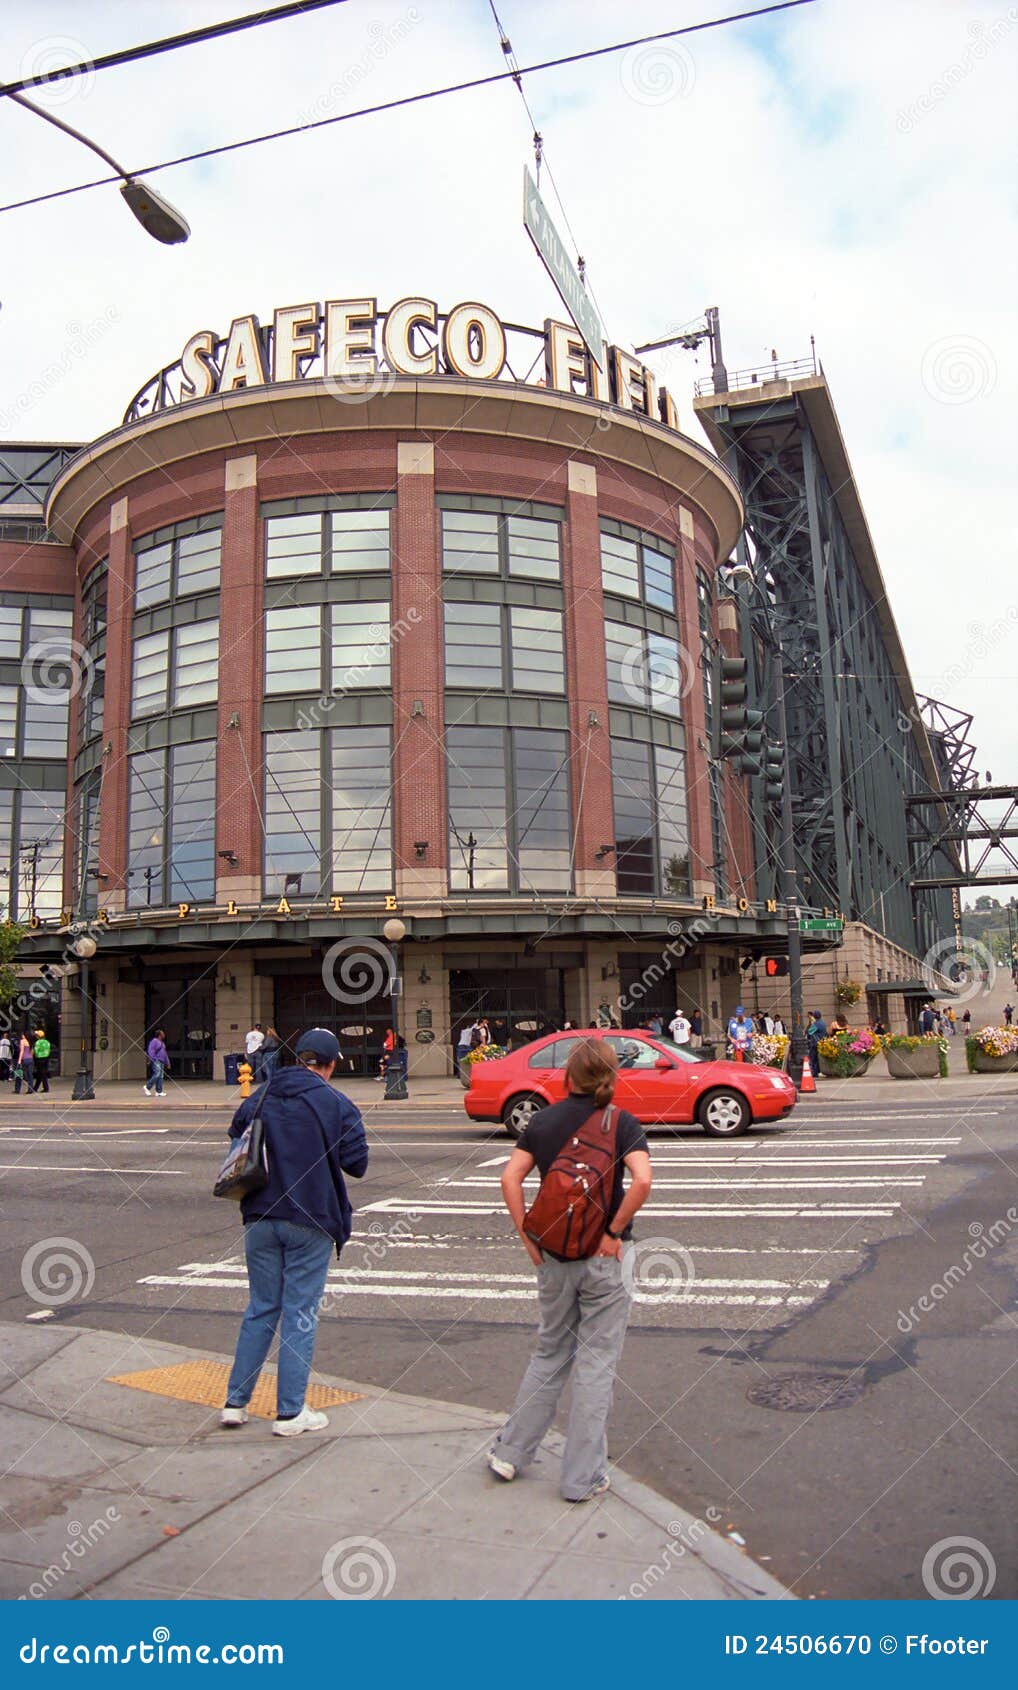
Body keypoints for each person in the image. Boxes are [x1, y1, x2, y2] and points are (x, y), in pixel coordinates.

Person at [489, 1038, 652, 1501]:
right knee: (595, 1366)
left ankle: (510, 1454)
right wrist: (614, 1233)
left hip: (554, 1256)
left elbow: (509, 1178)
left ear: (568, 1077)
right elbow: (642, 1180)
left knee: (549, 1353)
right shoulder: (621, 1123)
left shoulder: (542, 1120)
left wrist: (528, 1237)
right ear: (610, 1077)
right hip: (606, 1260)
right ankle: (582, 1478)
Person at [221, 1027, 369, 1437]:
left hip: (260, 1216)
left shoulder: (260, 1095)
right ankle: (289, 1412)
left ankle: (235, 1403)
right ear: (331, 1064)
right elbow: (357, 1164)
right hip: (310, 1219)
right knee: (300, 1312)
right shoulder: (335, 1103)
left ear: (298, 1057)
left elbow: (235, 1144)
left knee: (261, 1308)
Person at [144, 1028, 170, 1097]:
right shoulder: (154, 1041)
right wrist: (152, 1059)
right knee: (157, 1074)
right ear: (159, 1035)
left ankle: (159, 1091)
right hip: (156, 1060)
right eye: (162, 1033)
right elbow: (150, 1051)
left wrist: (167, 1062)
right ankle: (147, 1087)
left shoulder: (162, 1043)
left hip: (161, 1061)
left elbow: (165, 1054)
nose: (164, 1034)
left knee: (161, 1076)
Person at [805, 1009, 827, 1078]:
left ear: (814, 1016)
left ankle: (815, 1072)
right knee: (818, 1058)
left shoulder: (816, 1024)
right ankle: (819, 1071)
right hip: (822, 1042)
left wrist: (809, 1026)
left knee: (813, 1058)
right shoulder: (823, 1023)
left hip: (814, 1043)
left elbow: (809, 1032)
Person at [30, 1029, 51, 1093]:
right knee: (41, 1073)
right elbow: (49, 1050)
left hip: (39, 1059)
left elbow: (36, 1051)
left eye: (36, 1035)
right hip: (46, 1058)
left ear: (38, 1036)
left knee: (42, 1074)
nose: (36, 1036)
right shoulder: (47, 1042)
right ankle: (35, 1088)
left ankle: (45, 1088)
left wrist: (34, 1057)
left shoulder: (38, 1042)